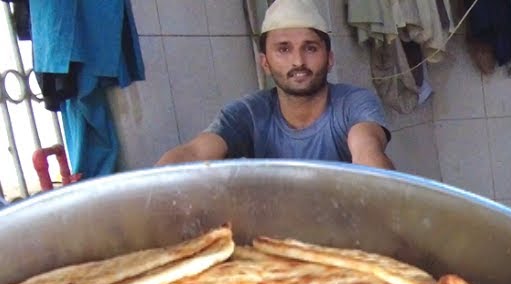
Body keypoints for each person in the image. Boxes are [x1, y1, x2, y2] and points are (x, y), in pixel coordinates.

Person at [157, 0, 395, 169]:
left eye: (310, 48)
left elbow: (367, 151)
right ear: (266, 63)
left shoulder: (352, 103)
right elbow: (194, 153)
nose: (298, 61)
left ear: (330, 58)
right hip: (269, 238)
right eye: (284, 49)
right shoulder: (248, 114)